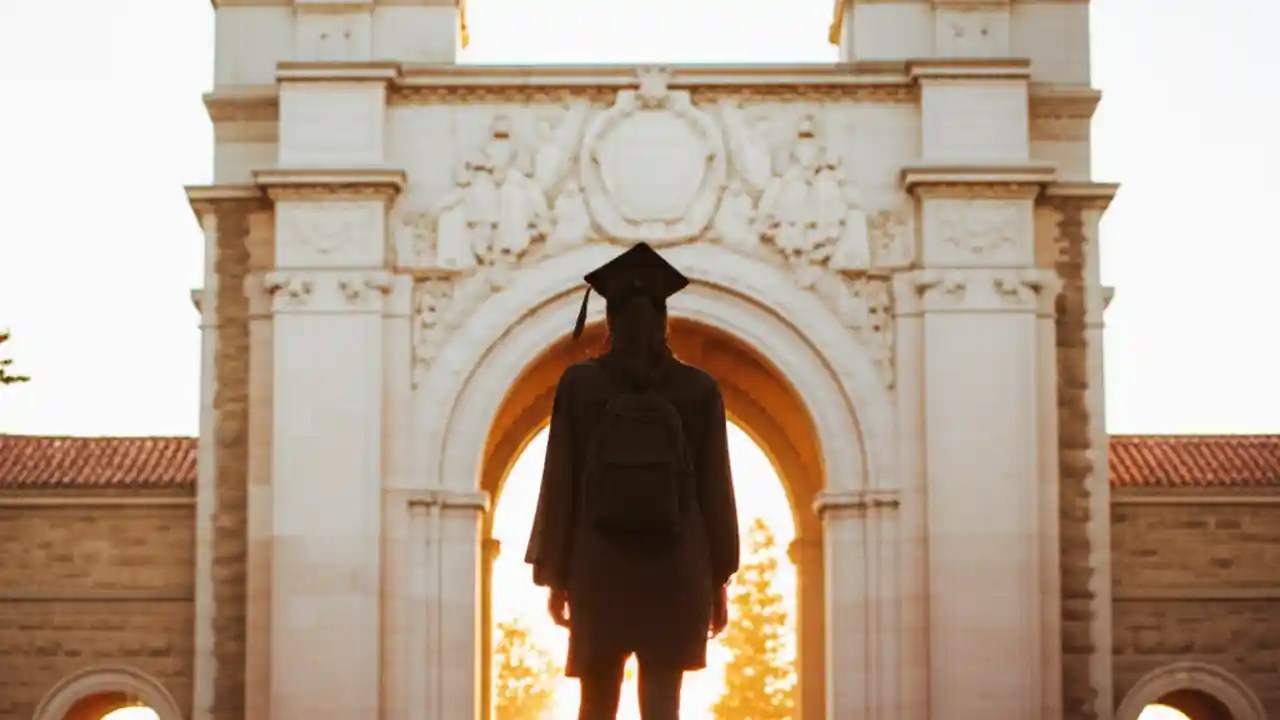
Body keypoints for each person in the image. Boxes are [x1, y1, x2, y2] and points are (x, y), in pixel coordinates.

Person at [524, 242, 740, 720]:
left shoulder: (580, 385)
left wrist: (556, 578)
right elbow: (715, 494)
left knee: (596, 705)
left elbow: (559, 487)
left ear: (611, 319)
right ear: (663, 318)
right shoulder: (698, 390)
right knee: (664, 705)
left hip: (599, 568)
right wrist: (717, 581)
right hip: (677, 568)